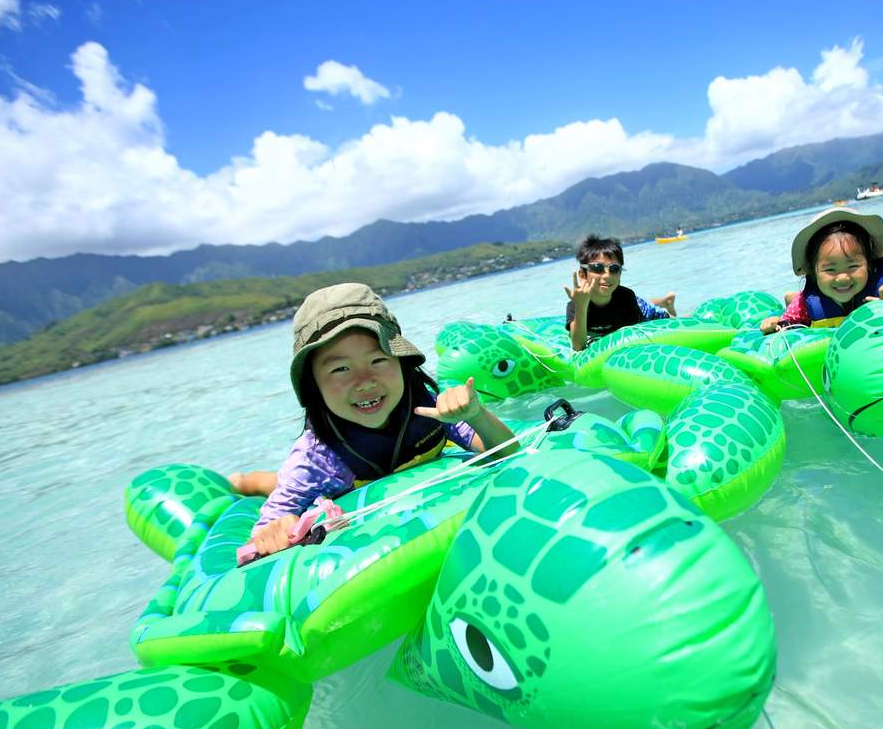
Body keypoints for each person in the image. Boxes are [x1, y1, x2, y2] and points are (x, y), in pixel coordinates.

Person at [243, 283, 519, 557]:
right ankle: (244, 481)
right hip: (323, 480)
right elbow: (265, 529)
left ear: (401, 361)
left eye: (377, 360)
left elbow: (506, 451)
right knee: (272, 483)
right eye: (340, 369)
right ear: (313, 385)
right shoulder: (316, 456)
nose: (364, 382)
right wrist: (276, 532)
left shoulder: (429, 406)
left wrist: (475, 415)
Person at [760, 207, 883, 334]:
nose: (842, 277)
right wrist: (775, 324)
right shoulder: (805, 303)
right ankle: (790, 298)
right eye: (830, 269)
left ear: (869, 265)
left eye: (853, 266)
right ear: (813, 272)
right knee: (796, 304)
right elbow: (787, 324)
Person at [565, 234, 677, 351]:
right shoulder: (576, 305)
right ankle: (665, 301)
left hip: (639, 310)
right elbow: (578, 347)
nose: (607, 275)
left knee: (666, 317)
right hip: (621, 304)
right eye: (598, 268)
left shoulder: (626, 298)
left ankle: (666, 302)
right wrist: (581, 307)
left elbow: (636, 337)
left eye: (614, 268)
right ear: (583, 275)